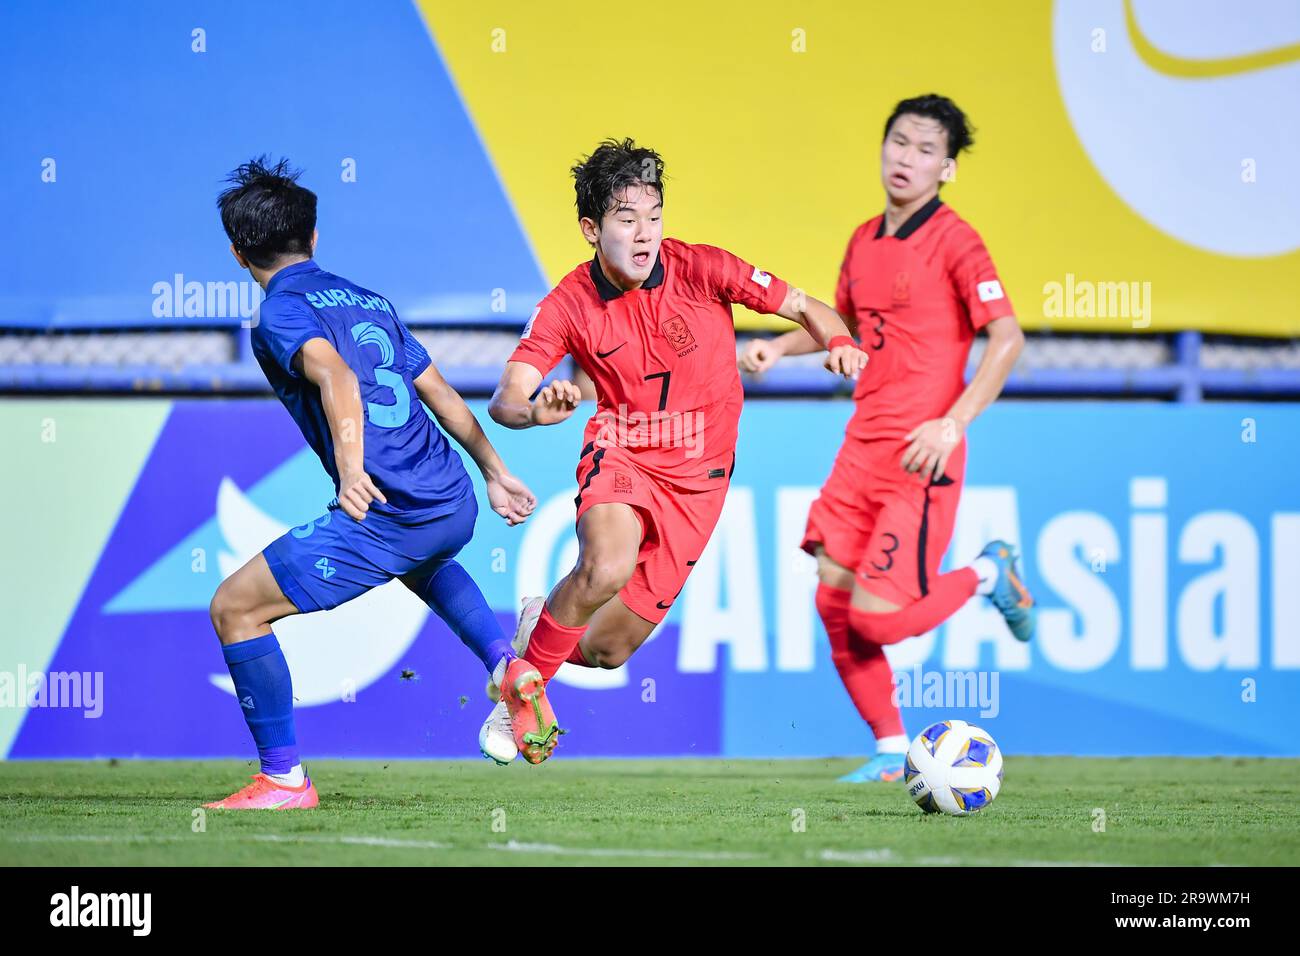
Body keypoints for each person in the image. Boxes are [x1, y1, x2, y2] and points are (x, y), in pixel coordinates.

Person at [479, 138, 867, 762]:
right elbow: (505, 400)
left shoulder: (703, 268)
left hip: (702, 480)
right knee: (606, 566)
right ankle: (520, 699)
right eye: (626, 219)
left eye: (653, 218)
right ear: (591, 229)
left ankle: (536, 627)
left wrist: (839, 339)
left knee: (608, 651)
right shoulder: (567, 304)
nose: (644, 234)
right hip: (623, 451)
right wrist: (535, 410)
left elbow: (800, 305)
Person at [205, 157, 540, 809]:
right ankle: (506, 663)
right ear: (315, 237)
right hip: (450, 496)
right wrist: (495, 473)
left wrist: (352, 471)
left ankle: (283, 780)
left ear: (238, 252)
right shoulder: (367, 299)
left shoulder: (280, 313)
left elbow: (338, 378)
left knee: (234, 608)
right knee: (421, 559)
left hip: (389, 509)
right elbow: (439, 392)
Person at [739, 94, 1035, 783]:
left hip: (921, 453)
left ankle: (990, 572)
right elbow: (844, 328)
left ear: (948, 168)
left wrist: (951, 422)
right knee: (831, 600)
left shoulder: (957, 241)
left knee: (875, 623)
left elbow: (1008, 338)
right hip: (861, 444)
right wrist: (779, 351)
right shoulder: (863, 240)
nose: (907, 158)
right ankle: (889, 749)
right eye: (899, 142)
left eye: (925, 150)